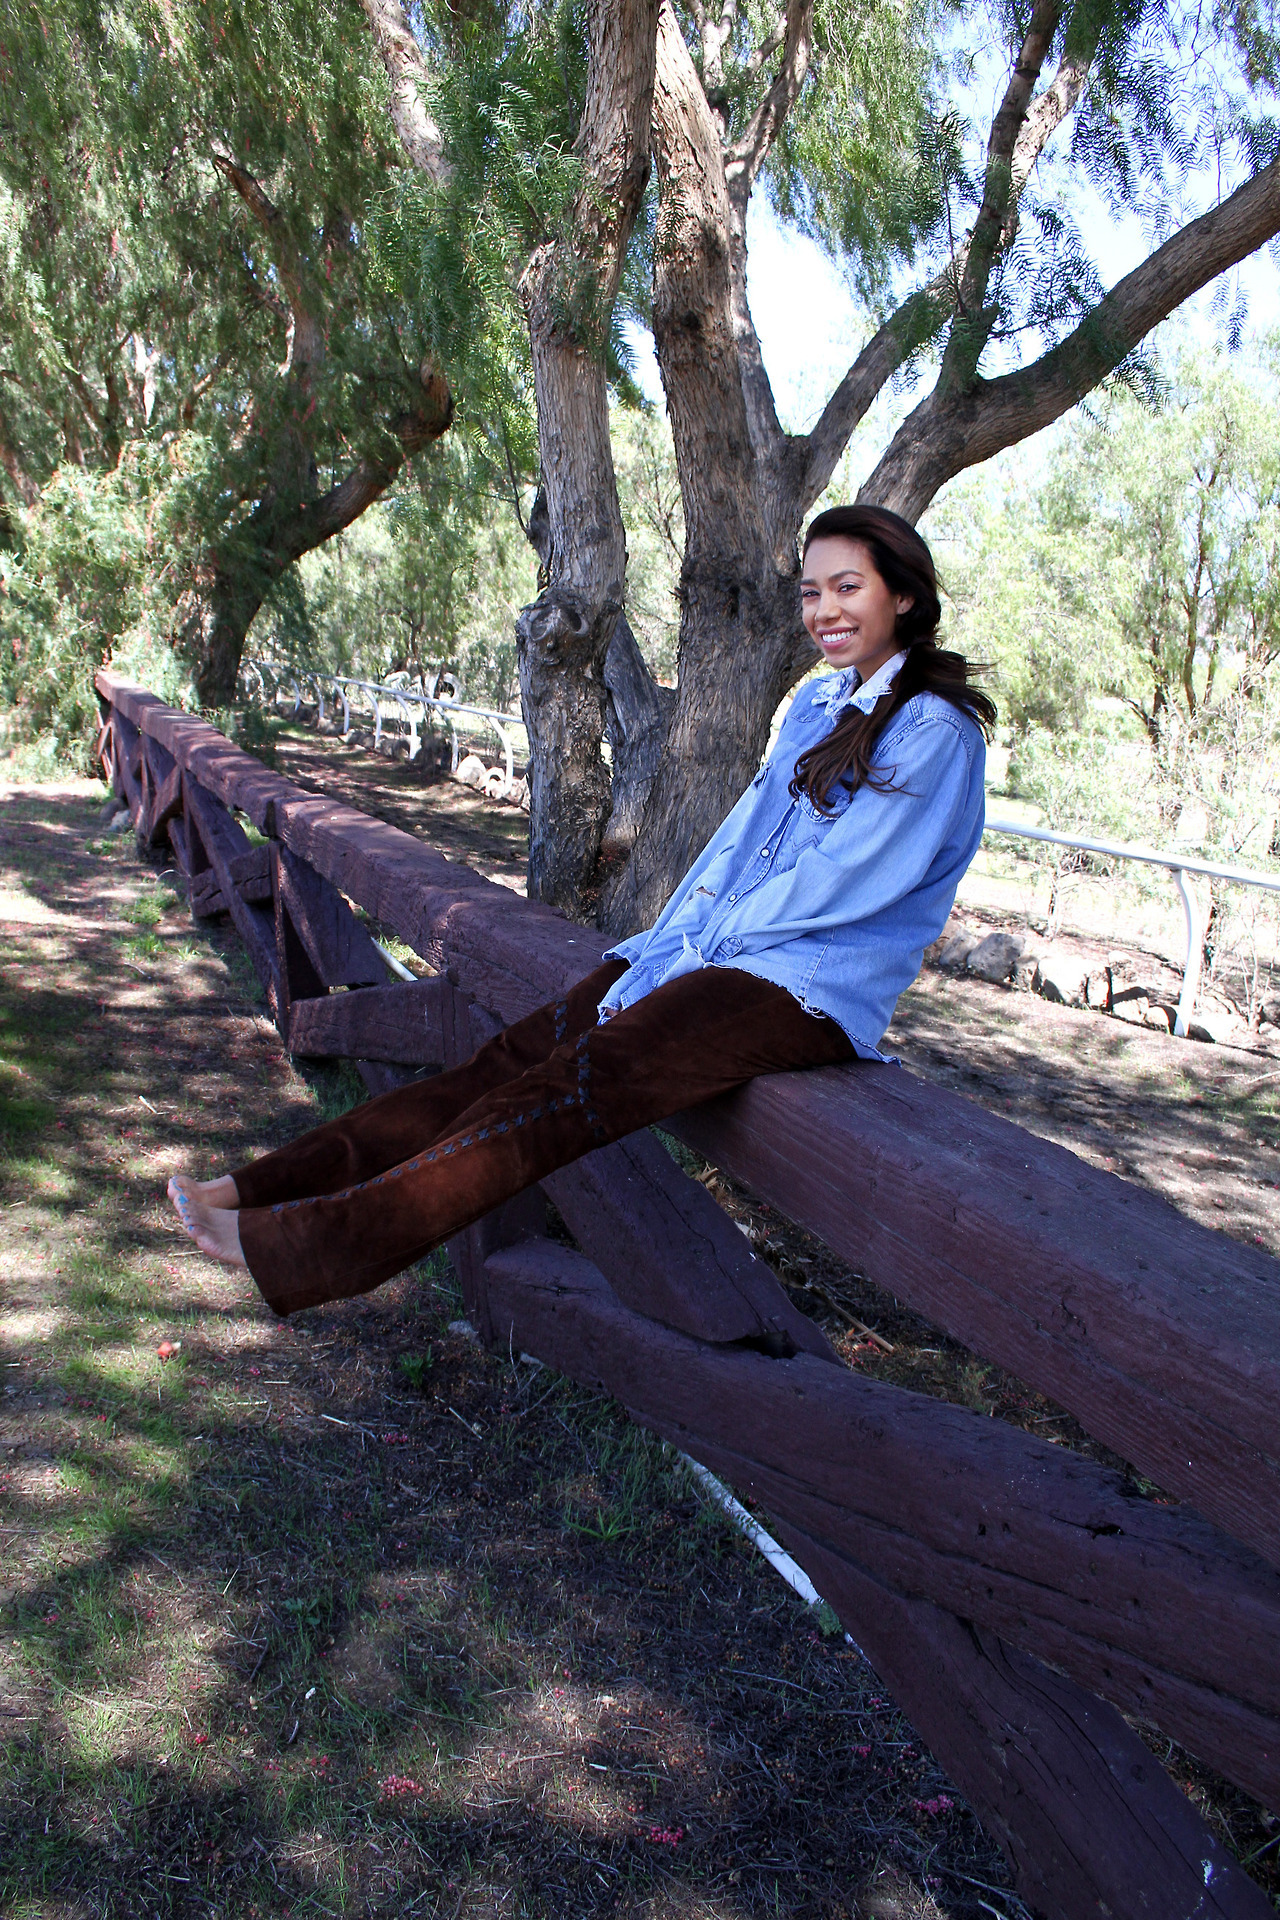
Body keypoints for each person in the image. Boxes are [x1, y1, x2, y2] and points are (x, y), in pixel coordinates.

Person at [168, 505, 996, 1317]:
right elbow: (738, 847)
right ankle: (260, 1188)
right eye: (810, 593)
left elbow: (844, 884)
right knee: (498, 1066)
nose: (824, 611)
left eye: (846, 588)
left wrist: (696, 956)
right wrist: (669, 947)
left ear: (905, 597)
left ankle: (310, 1245)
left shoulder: (936, 732)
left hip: (801, 986)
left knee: (565, 1091)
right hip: (712, 954)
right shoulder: (820, 706)